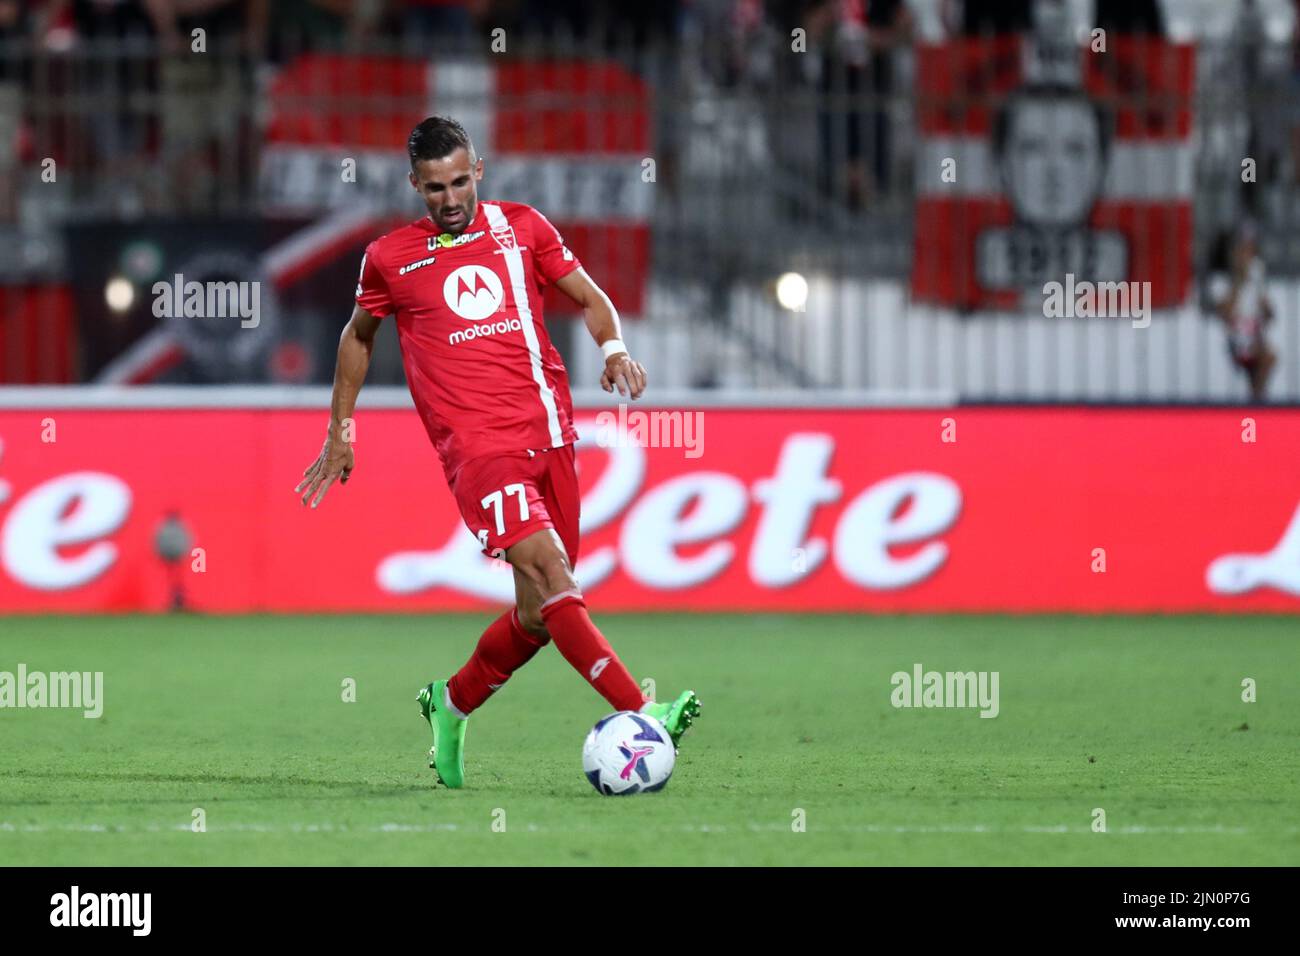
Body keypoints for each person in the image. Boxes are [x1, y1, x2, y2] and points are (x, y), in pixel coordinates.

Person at [295, 115, 700, 789]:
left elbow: (590, 297)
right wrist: (342, 428)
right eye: (433, 189)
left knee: (539, 616)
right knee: (553, 577)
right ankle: (643, 711)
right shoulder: (392, 258)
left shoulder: (523, 228)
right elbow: (358, 336)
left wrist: (615, 349)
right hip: (480, 452)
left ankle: (449, 705)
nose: (449, 199)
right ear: (414, 185)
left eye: (459, 182)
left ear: (477, 170)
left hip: (551, 436)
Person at [1206, 222, 1277, 403]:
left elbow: (1268, 314)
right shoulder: (1220, 278)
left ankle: (1257, 403)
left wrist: (1266, 306)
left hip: (1253, 335)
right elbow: (1225, 313)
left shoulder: (1257, 276)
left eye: (1250, 250)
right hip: (1234, 338)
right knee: (1263, 355)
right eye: (1242, 250)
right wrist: (1239, 280)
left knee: (1268, 356)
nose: (1246, 255)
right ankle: (1256, 404)